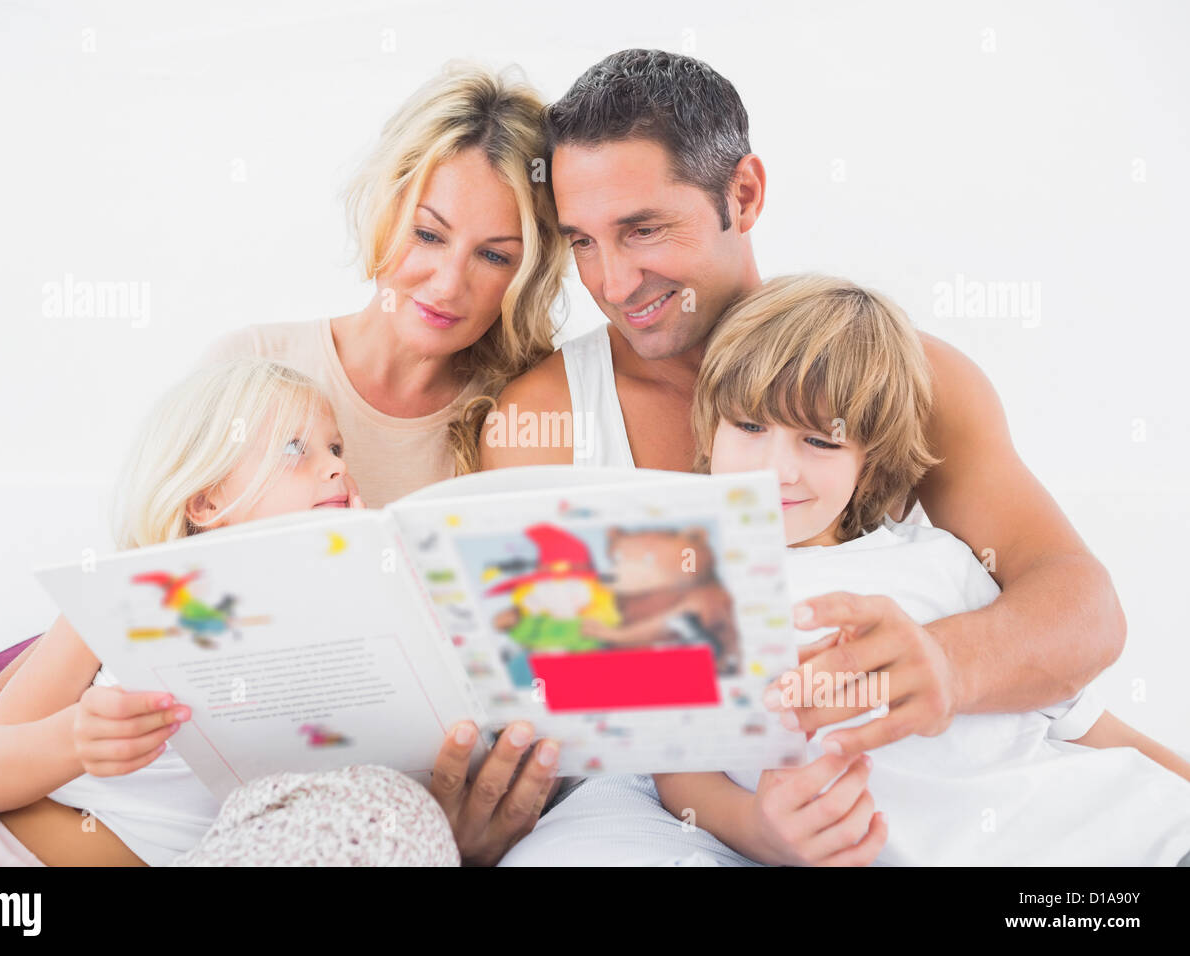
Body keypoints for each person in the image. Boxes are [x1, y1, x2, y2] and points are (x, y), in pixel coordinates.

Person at [0, 61, 568, 867]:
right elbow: (118, 601)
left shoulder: (517, 422)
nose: (448, 281)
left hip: (312, 793)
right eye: (428, 233)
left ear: (526, 270)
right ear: (386, 213)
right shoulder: (255, 368)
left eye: (495, 255)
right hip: (73, 782)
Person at [482, 49, 1126, 784]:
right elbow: (557, 692)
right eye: (583, 243)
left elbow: (1082, 609)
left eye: (645, 230)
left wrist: (946, 661)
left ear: (745, 195)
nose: (614, 283)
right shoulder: (545, 420)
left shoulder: (903, 374)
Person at [502, 275, 1190, 866]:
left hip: (1140, 834)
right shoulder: (679, 588)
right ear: (709, 432)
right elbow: (683, 775)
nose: (778, 468)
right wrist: (764, 831)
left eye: (819, 440)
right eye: (749, 427)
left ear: (872, 462)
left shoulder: (940, 561)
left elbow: (1090, 724)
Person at [0, 358, 461, 865]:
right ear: (207, 501)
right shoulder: (123, 599)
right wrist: (74, 738)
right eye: (295, 449)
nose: (335, 467)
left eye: (336, 449)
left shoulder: (361, 630)